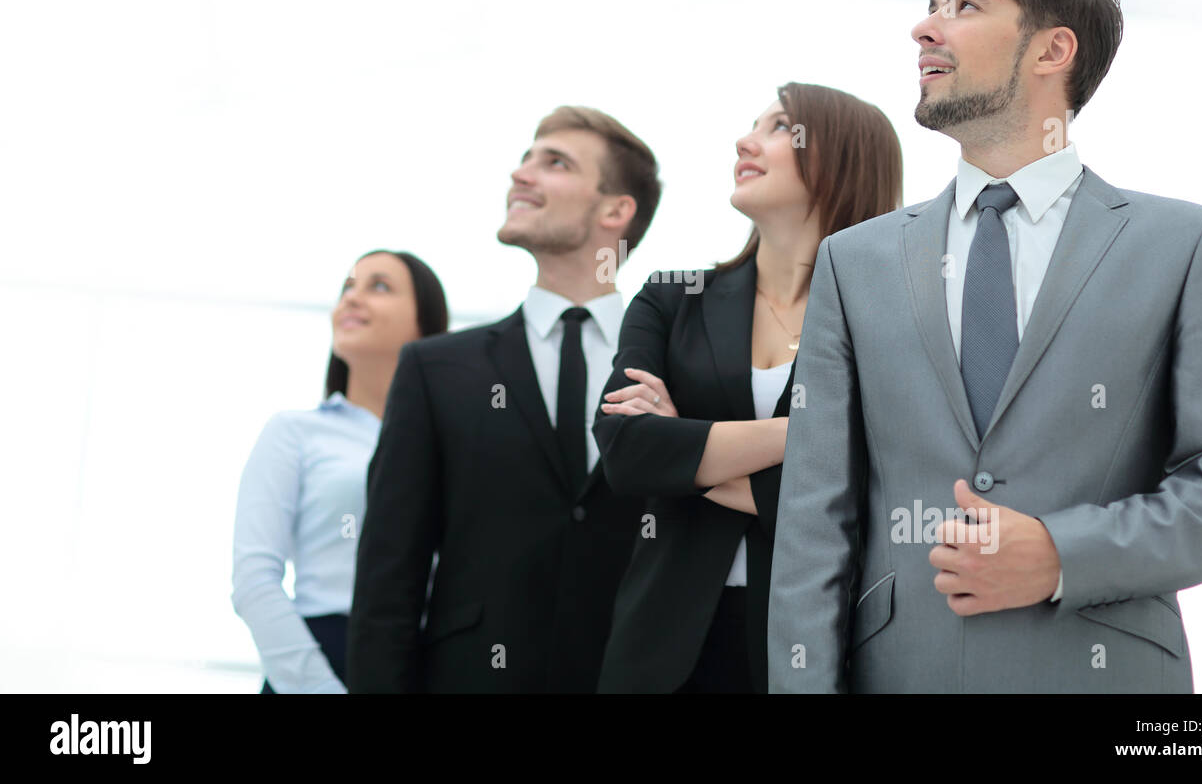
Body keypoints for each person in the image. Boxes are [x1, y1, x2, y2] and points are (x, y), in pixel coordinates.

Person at [767, 0, 1202, 693]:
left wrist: (1062, 553)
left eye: (963, 6)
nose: (924, 27)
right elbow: (815, 520)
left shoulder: (1185, 245)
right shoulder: (856, 261)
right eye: (931, 6)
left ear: (1052, 50)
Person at [593, 83, 902, 693]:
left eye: (779, 127)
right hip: (659, 651)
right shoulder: (671, 296)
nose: (745, 140)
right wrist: (815, 435)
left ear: (842, 157)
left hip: (814, 647)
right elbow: (627, 452)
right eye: (752, 124)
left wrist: (686, 448)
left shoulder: (889, 318)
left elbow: (874, 496)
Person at [346, 106, 661, 693]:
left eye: (555, 162)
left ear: (616, 209)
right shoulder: (436, 369)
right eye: (525, 159)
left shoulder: (678, 370)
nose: (522, 174)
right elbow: (389, 578)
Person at [232, 249, 448, 693]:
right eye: (348, 287)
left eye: (379, 286)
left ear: (424, 323)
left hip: (424, 664)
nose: (351, 299)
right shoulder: (295, 432)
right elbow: (254, 579)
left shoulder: (454, 447)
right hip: (316, 663)